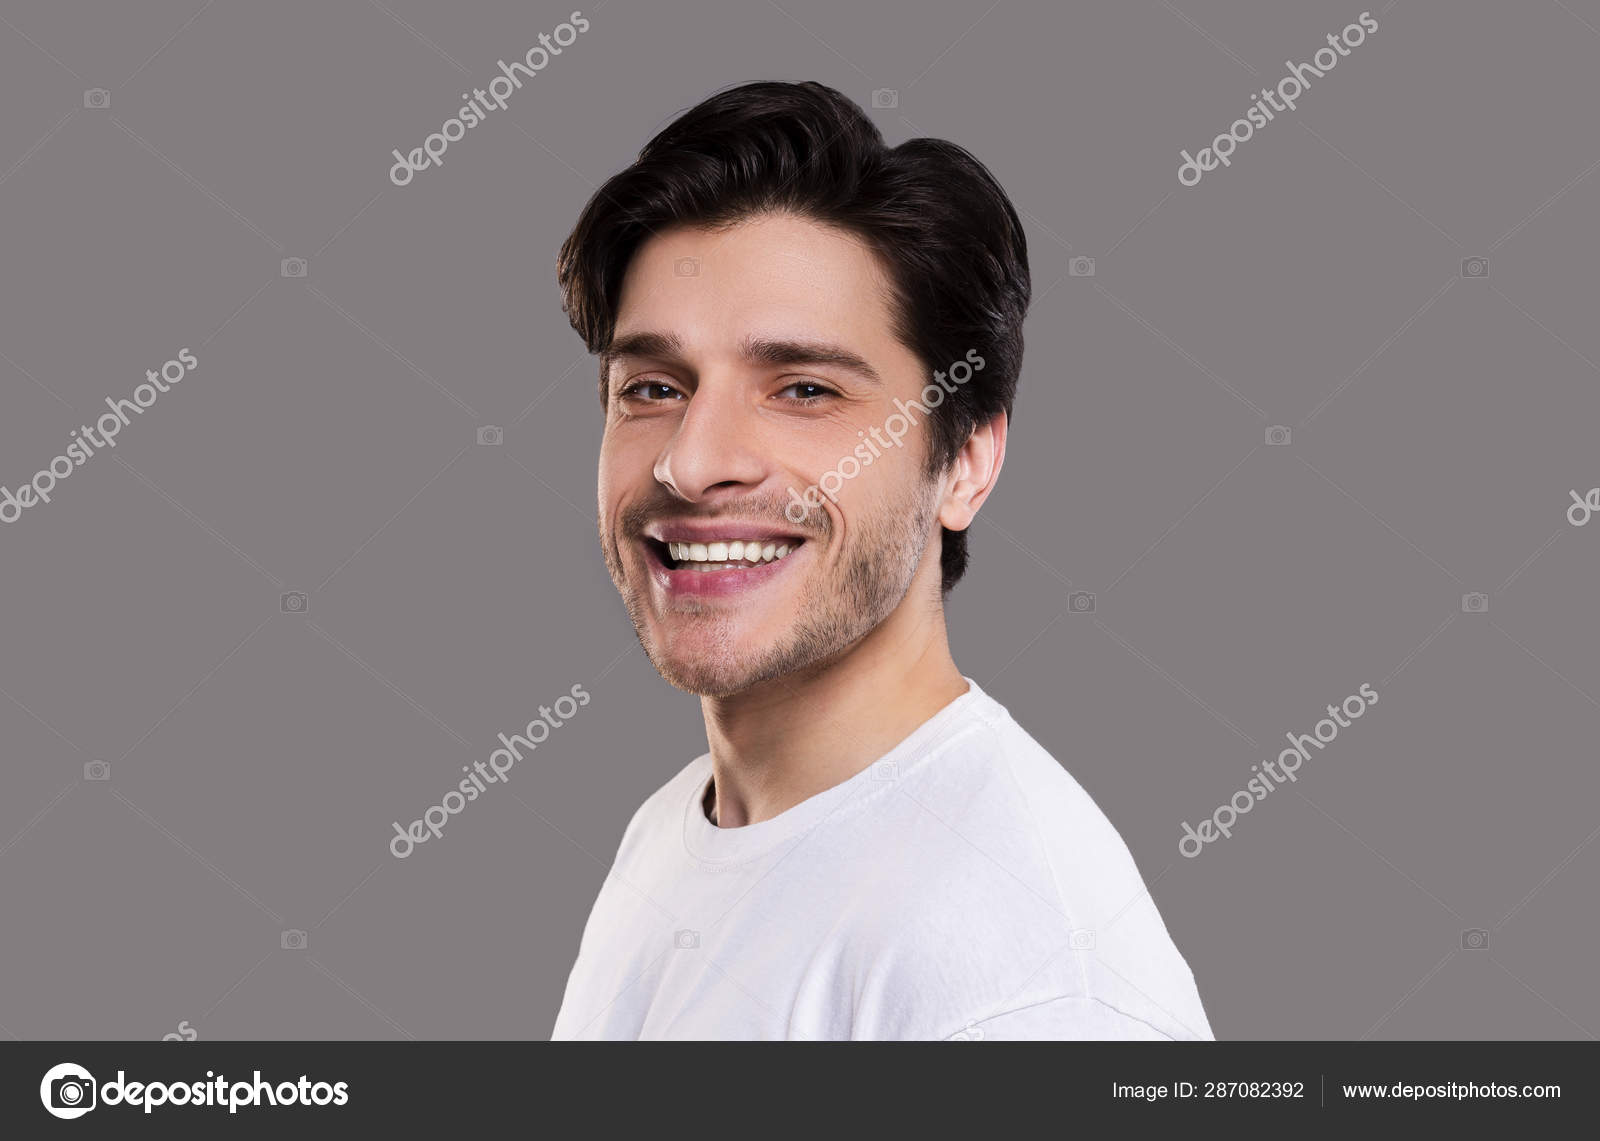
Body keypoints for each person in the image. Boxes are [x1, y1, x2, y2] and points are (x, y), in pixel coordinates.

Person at [549, 80, 1212, 1040]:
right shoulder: (671, 833)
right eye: (652, 385)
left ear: (967, 461)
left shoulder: (1026, 976)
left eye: (806, 389)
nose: (692, 461)